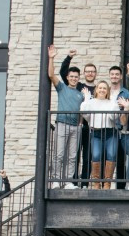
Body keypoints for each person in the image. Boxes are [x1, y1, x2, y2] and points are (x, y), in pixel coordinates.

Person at [48, 45, 87, 188]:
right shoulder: (62, 88)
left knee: (72, 156)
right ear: (67, 77)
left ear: (78, 78)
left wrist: (81, 123)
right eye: (71, 77)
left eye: (76, 77)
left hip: (75, 126)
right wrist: (51, 58)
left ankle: (69, 181)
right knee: (59, 155)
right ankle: (56, 181)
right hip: (62, 123)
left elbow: (83, 110)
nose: (74, 79)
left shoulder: (81, 93)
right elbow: (51, 75)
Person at [81, 81, 121, 188]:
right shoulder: (91, 102)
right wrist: (86, 99)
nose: (102, 90)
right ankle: (96, 183)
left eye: (104, 88)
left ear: (107, 90)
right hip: (96, 133)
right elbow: (85, 115)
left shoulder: (110, 102)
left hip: (110, 133)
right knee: (96, 155)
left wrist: (114, 102)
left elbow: (114, 117)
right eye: (100, 88)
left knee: (111, 155)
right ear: (97, 90)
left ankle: (107, 183)